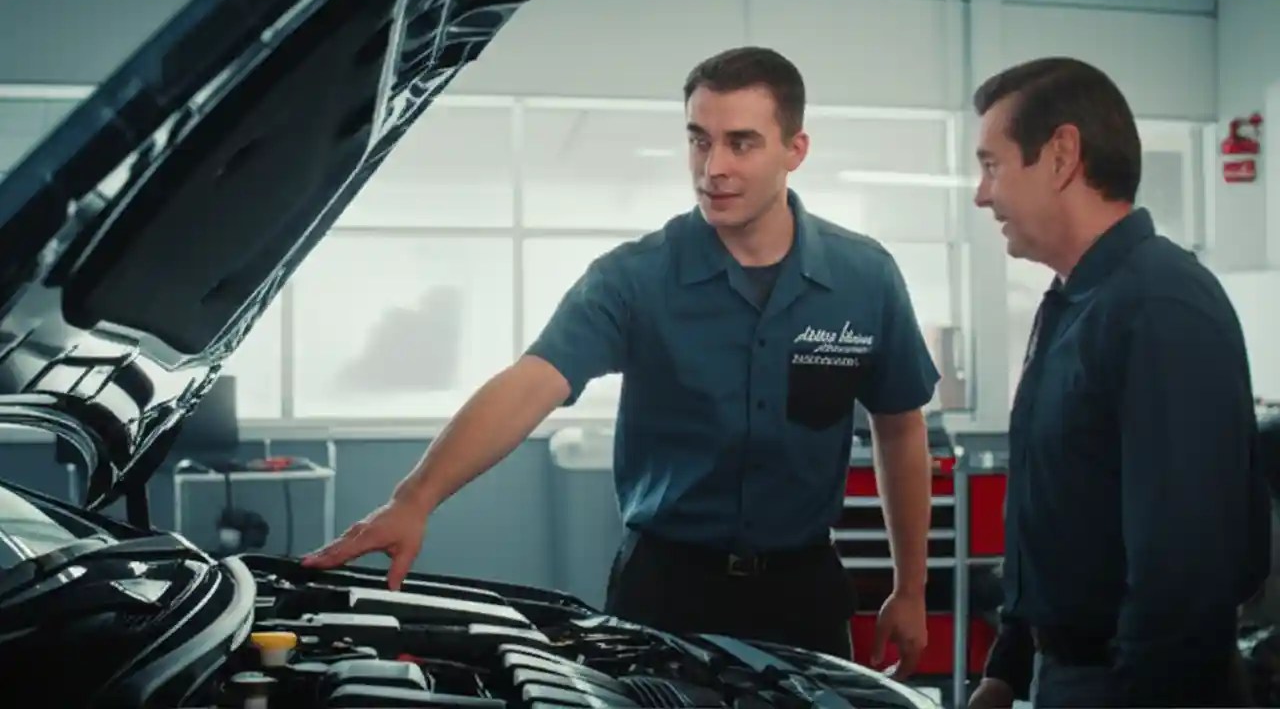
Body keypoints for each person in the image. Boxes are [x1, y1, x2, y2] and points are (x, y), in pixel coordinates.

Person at [301, 46, 940, 675]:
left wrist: (909, 588)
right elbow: (531, 382)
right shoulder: (635, 278)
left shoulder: (865, 277)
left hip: (803, 592)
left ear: (794, 151)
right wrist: (415, 500)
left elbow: (900, 427)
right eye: (698, 140)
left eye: (740, 143)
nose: (712, 166)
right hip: (666, 590)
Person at [964, 56, 1270, 708]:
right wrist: (1010, 665)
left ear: (1060, 155)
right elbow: (1062, 511)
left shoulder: (1160, 308)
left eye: (991, 165)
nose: (981, 194)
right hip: (1068, 671)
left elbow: (1182, 580)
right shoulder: (1075, 301)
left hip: (1132, 685)